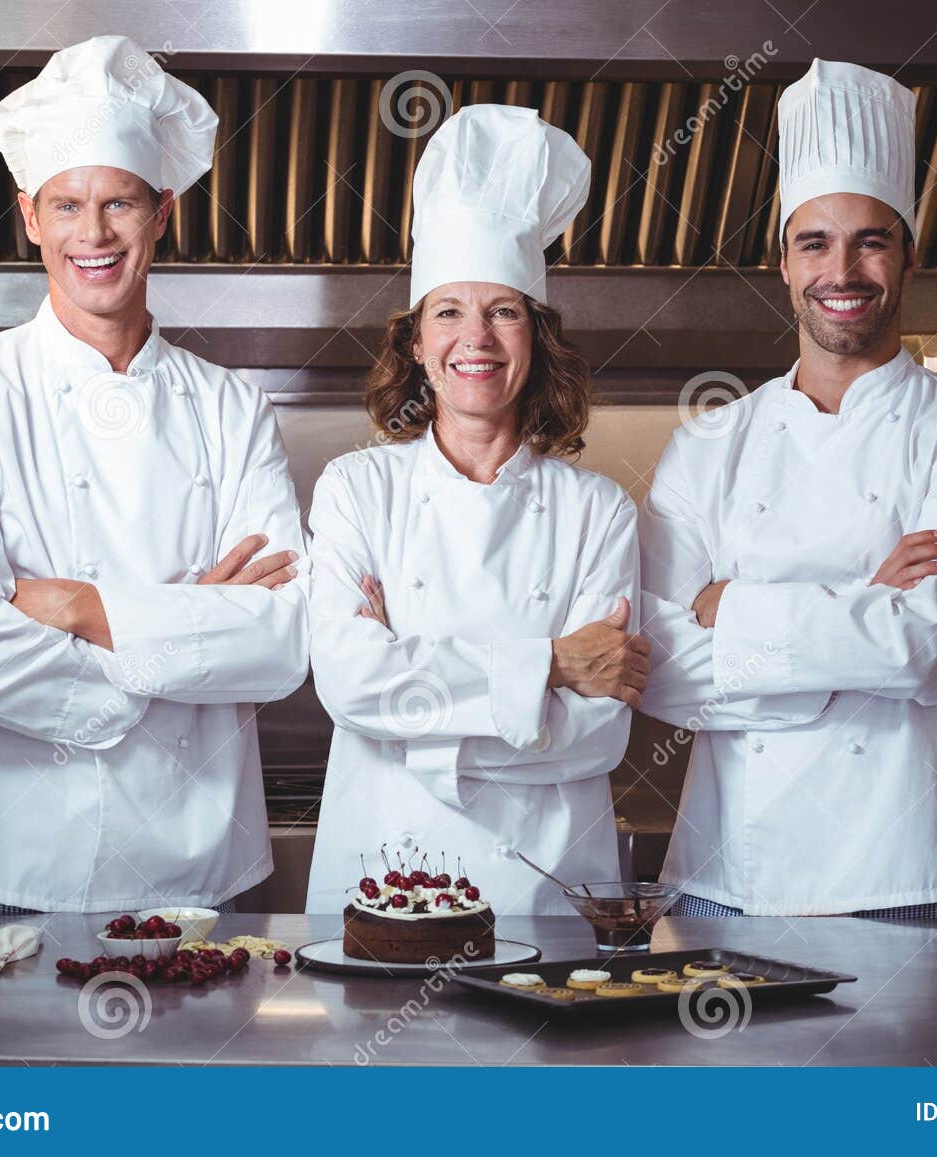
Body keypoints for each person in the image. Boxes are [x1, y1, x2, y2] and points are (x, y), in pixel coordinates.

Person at [0, 35, 310, 915]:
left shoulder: (233, 408)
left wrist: (83, 606)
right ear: (30, 216)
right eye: (67, 205)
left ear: (162, 212)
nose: (94, 234)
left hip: (198, 880)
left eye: (118, 203)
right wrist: (183, 631)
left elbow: (282, 637)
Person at [639, 60, 937, 921]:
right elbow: (659, 671)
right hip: (724, 878)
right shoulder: (710, 441)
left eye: (870, 240)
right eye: (814, 242)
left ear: (910, 257)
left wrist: (727, 602)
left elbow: (923, 650)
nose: (841, 270)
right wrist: (861, 609)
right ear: (782, 262)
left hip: (904, 878)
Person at [304, 105, 647, 917]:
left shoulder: (599, 511)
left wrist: (417, 722)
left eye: (504, 309)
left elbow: (603, 733)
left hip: (549, 890)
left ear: (536, 336)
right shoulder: (356, 488)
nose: (477, 338)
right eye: (448, 311)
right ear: (417, 342)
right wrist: (552, 666)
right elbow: (351, 684)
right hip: (379, 884)